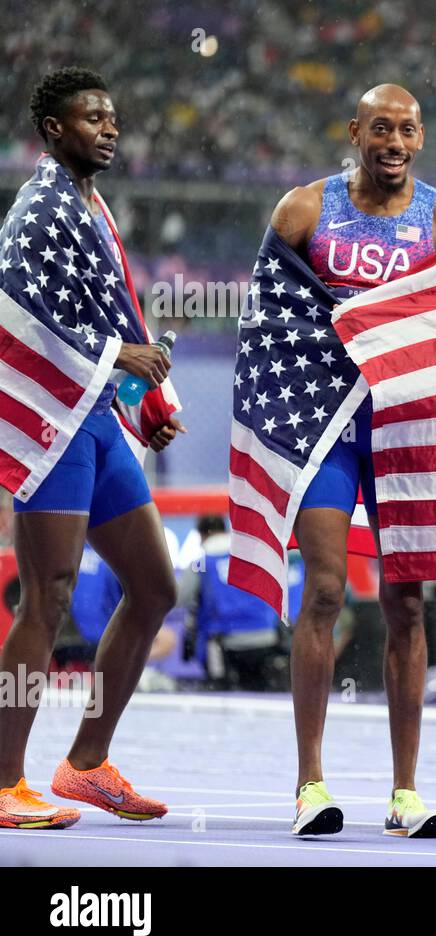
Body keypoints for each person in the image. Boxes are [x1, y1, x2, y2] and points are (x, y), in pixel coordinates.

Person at [266, 83, 436, 838]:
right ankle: (309, 785)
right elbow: (267, 323)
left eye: (407, 130)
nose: (393, 141)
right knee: (323, 590)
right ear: (355, 132)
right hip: (327, 428)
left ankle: (405, 792)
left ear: (420, 139)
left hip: (405, 433)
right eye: (379, 127)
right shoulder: (303, 211)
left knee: (407, 605)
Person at [0, 67, 183, 830]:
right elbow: (17, 313)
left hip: (97, 417)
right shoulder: (39, 208)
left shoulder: (90, 203)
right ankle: (3, 780)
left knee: (155, 590)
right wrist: (119, 359)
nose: (109, 129)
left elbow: (106, 307)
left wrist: (142, 398)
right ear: (53, 130)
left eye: (112, 118)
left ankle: (83, 765)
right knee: (48, 595)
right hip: (51, 416)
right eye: (91, 119)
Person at [179, 515, 286, 690]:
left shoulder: (201, 564)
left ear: (202, 536)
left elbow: (178, 598)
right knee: (261, 695)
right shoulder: (253, 559)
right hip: (266, 638)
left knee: (223, 698)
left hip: (225, 644)